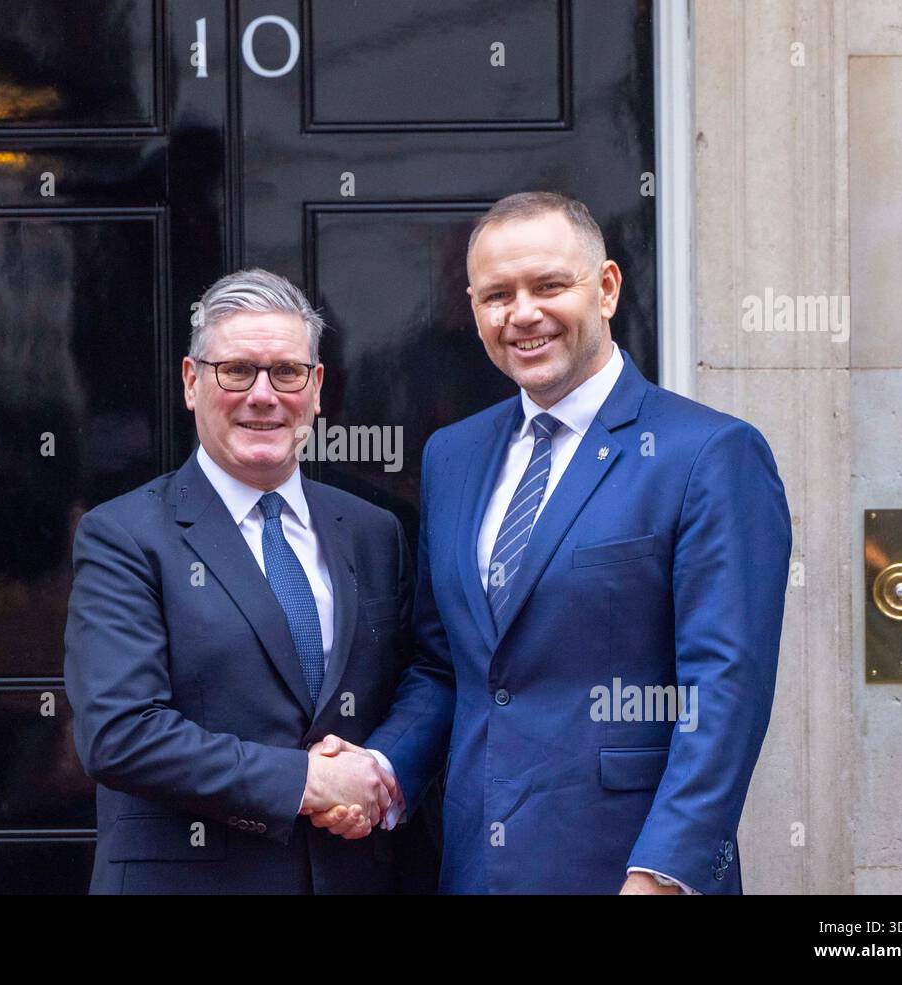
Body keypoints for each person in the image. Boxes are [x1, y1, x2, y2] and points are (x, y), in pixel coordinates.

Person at [312, 192, 791, 894]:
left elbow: (725, 690)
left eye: (549, 285)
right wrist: (383, 769)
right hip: (478, 866)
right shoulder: (454, 455)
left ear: (606, 289)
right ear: (473, 309)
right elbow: (449, 665)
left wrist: (663, 872)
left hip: (627, 868)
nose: (523, 313)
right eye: (497, 295)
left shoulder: (710, 455)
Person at [64, 268, 412, 893]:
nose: (263, 394)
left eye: (286, 371)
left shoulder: (373, 531)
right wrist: (304, 782)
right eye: (236, 371)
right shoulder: (125, 534)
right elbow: (119, 733)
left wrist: (376, 773)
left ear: (316, 388)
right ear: (192, 382)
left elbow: (420, 680)